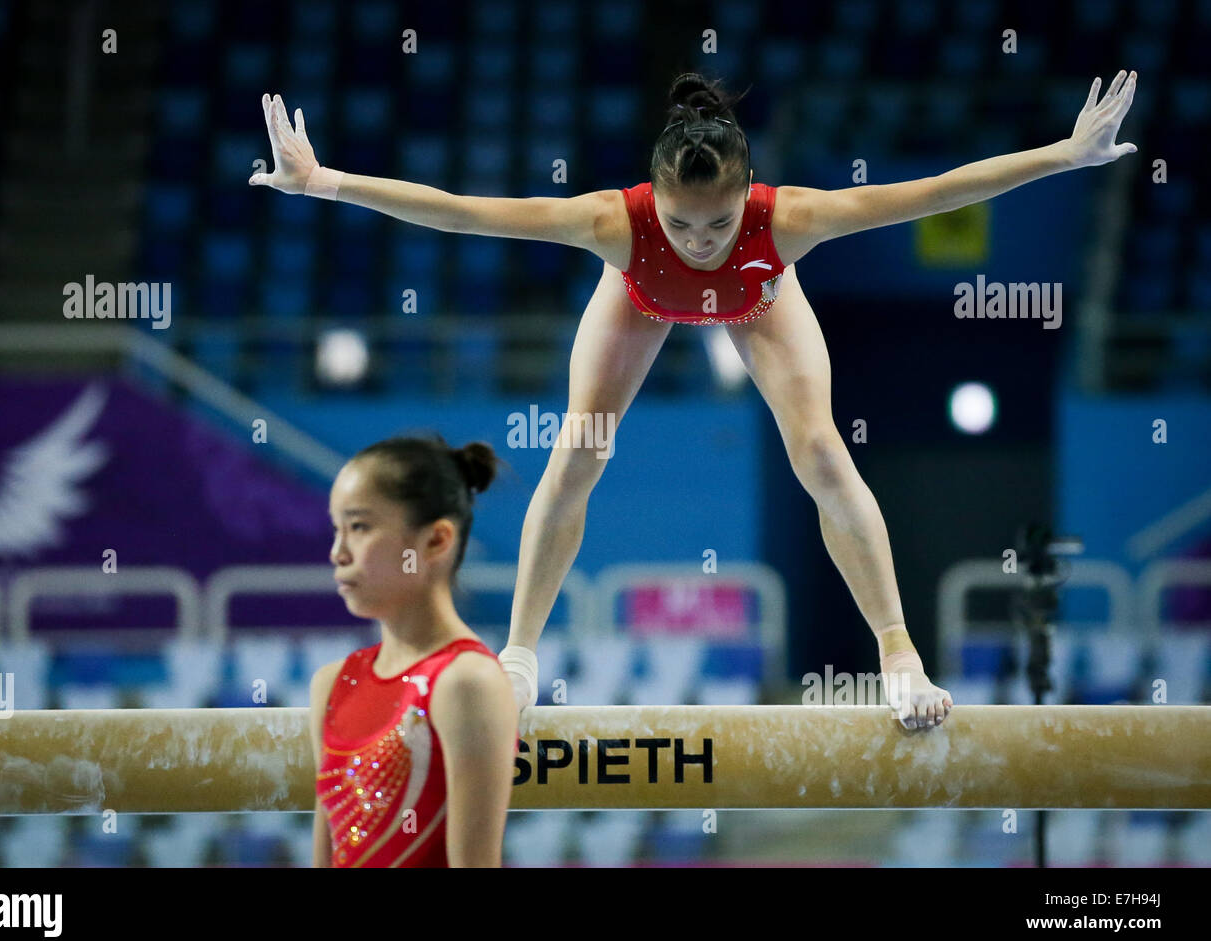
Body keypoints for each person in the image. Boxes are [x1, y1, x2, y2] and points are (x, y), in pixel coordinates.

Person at [255, 68, 1138, 731]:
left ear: (747, 196)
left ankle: (898, 652)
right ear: (656, 202)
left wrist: (1065, 155)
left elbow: (935, 193)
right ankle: (518, 654)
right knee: (579, 451)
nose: (704, 240)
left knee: (822, 452)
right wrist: (327, 181)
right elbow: (463, 211)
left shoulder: (785, 221)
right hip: (638, 297)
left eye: (719, 223)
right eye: (683, 224)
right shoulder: (615, 225)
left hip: (764, 300)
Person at [309, 434, 517, 867]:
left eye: (360, 527)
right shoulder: (332, 685)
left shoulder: (465, 682)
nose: (337, 553)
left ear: (436, 541)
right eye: (336, 529)